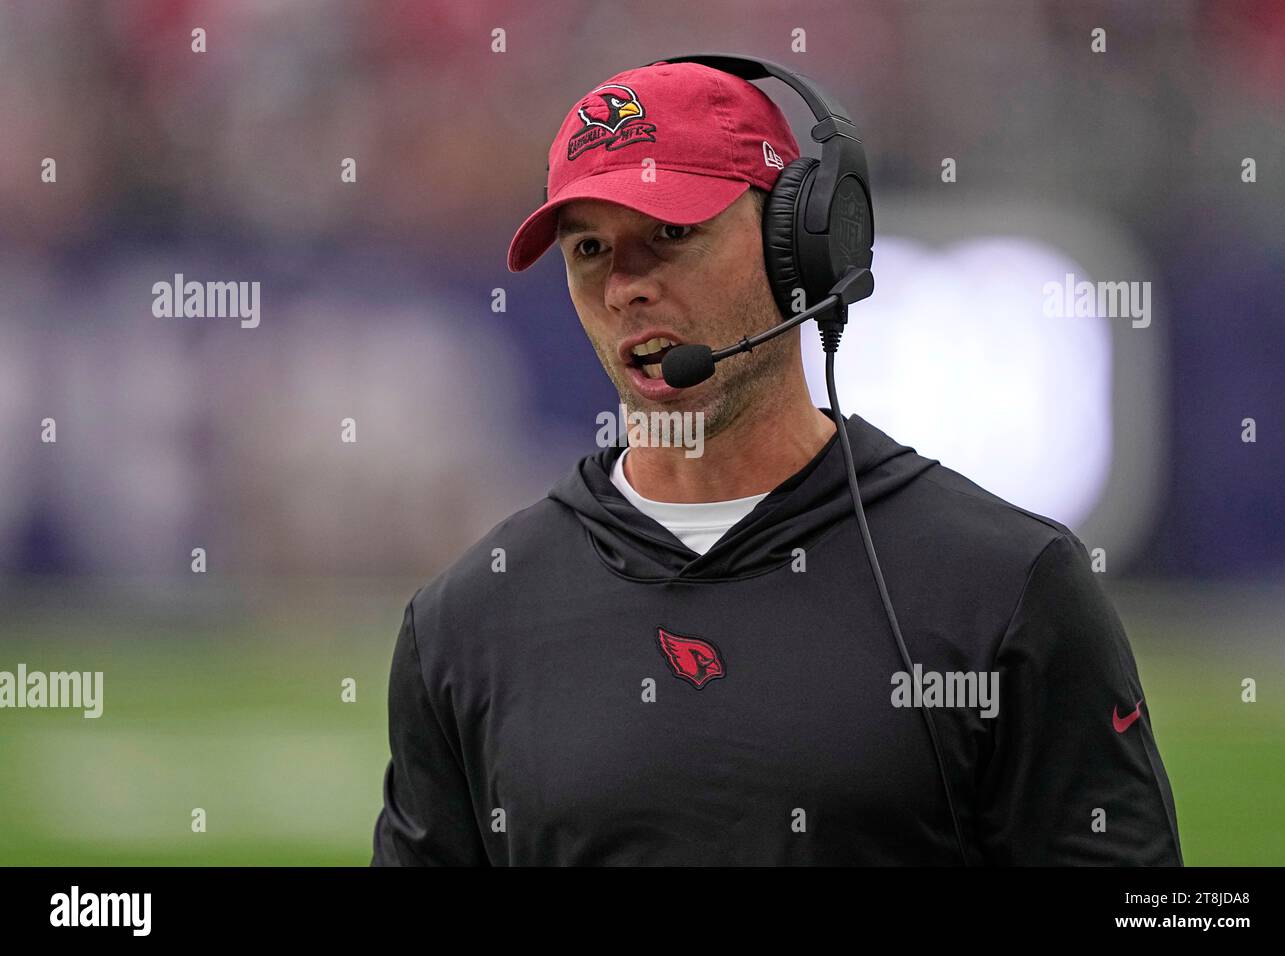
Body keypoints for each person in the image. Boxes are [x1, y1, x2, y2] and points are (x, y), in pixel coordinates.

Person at [371, 60, 1182, 865]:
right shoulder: (466, 625)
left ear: (802, 245)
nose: (624, 289)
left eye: (672, 235)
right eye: (589, 249)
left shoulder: (1006, 587)